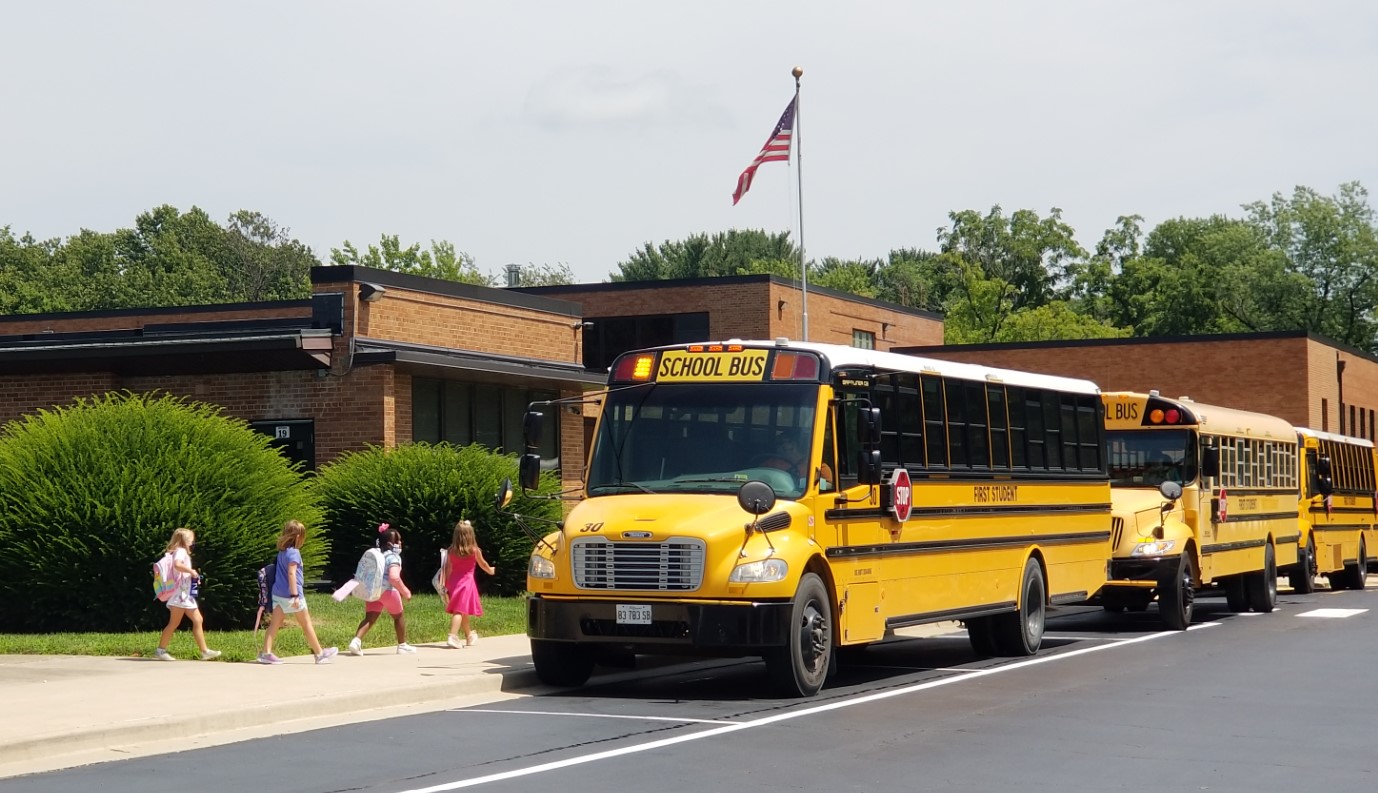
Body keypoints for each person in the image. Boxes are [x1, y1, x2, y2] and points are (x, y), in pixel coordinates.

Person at [259, 519, 337, 665]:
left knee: (274, 624)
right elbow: (291, 573)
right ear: (298, 537)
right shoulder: (294, 553)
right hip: (292, 595)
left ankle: (266, 653)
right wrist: (295, 595)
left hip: (278, 594)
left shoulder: (282, 552)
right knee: (306, 624)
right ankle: (319, 654)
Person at [154, 527, 220, 661]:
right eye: (191, 539)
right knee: (174, 623)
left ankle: (204, 651)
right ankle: (161, 651)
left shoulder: (180, 552)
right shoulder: (181, 551)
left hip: (185, 595)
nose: (192, 542)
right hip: (180, 596)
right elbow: (177, 565)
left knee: (198, 620)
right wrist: (191, 571)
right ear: (184, 540)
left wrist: (191, 575)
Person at [347, 523, 414, 656]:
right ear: (390, 544)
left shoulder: (377, 555)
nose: (400, 543)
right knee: (398, 617)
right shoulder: (394, 557)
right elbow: (394, 577)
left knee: (369, 618)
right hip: (389, 592)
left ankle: (356, 641)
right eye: (398, 541)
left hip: (374, 591)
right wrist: (405, 591)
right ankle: (402, 645)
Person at [443, 519, 495, 648]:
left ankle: (469, 636)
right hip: (466, 584)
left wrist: (446, 583)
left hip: (453, 582)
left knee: (462, 609)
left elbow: (448, 568)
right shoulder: (474, 550)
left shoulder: (451, 551)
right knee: (459, 611)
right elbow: (483, 564)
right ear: (470, 535)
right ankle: (452, 636)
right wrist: (491, 570)